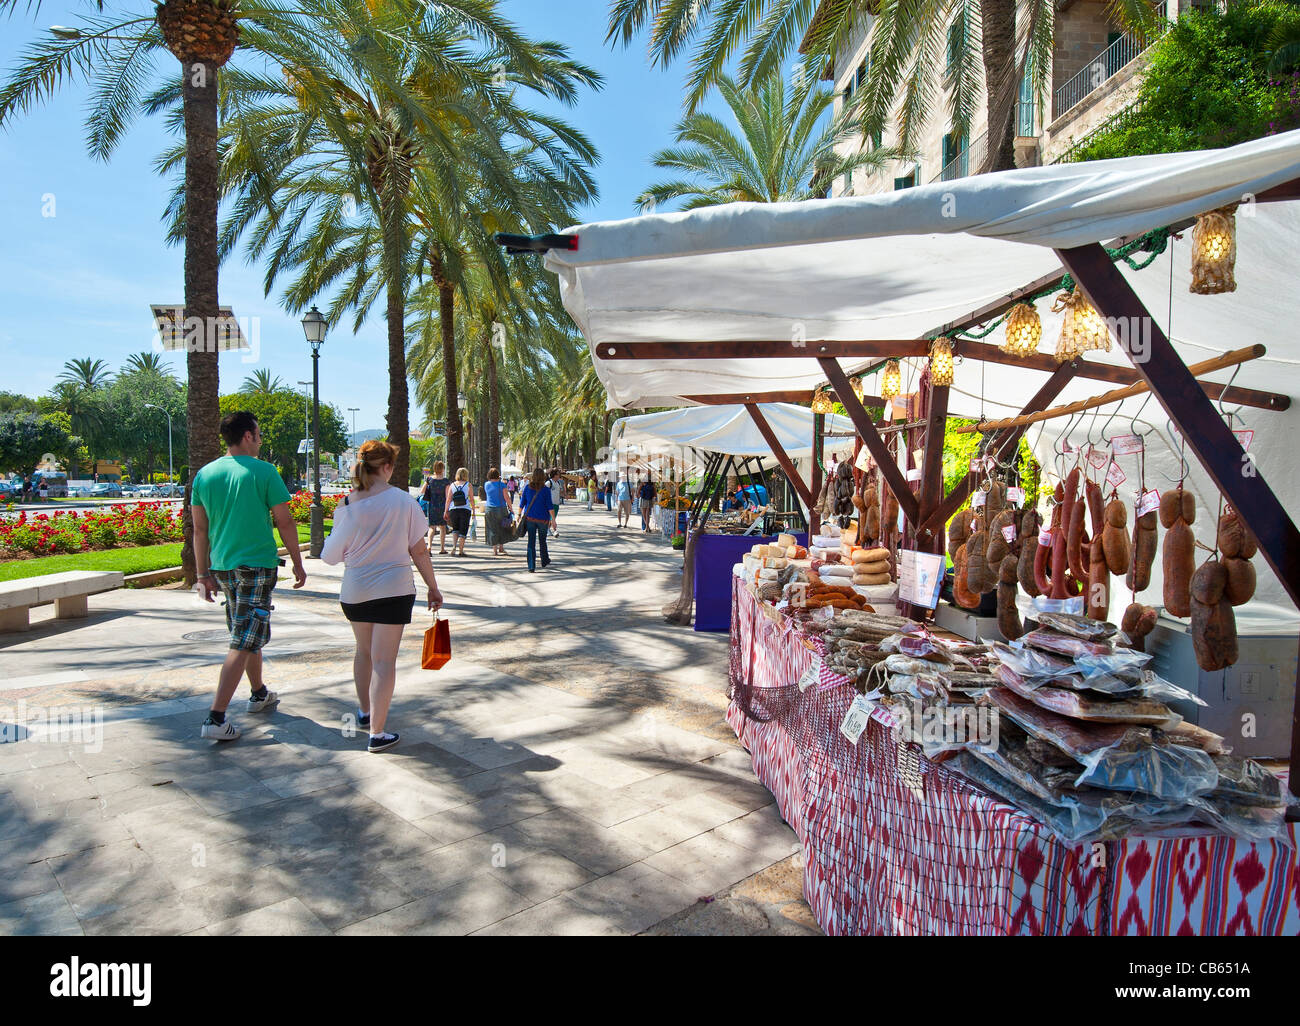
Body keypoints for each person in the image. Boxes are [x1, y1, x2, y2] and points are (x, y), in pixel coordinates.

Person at [321, 440, 444, 754]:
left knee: (363, 652)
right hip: (393, 589)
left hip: (355, 590)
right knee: (384, 660)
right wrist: (433, 586)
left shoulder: (347, 504)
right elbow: (418, 549)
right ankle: (377, 732)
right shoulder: (403, 501)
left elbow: (330, 556)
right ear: (387, 467)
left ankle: (364, 713)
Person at [193, 411, 307, 742]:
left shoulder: (204, 475)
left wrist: (203, 573)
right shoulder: (264, 471)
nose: (260, 440)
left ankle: (259, 694)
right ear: (247, 436)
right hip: (256, 566)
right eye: (257, 434)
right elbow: (284, 522)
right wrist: (298, 562)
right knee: (242, 639)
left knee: (246, 630)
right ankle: (216, 718)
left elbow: (200, 530)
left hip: (223, 567)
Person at [519, 468, 556, 572]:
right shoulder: (546, 490)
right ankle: (544, 560)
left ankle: (531, 565)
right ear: (543, 477)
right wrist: (553, 519)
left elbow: (522, 503)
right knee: (542, 540)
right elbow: (550, 506)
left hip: (530, 519)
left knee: (531, 541)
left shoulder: (527, 488)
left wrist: (518, 515)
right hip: (543, 520)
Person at [423, 461, 451, 555]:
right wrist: (447, 509)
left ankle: (429, 546)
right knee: (443, 528)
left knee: (432, 527)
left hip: (432, 506)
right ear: (442, 469)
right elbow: (448, 496)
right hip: (442, 506)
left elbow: (423, 491)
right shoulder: (446, 481)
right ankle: (442, 548)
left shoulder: (429, 479)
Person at [445, 467, 473, 556]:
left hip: (454, 509)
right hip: (465, 509)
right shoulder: (468, 485)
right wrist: (474, 511)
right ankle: (461, 550)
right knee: (463, 530)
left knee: (455, 529)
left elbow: (448, 499)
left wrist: (446, 511)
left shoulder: (452, 485)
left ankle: (454, 546)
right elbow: (471, 499)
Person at [483, 468, 510, 555]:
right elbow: (506, 497)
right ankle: (501, 547)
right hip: (501, 508)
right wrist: (511, 508)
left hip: (489, 509)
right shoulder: (502, 485)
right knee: (502, 528)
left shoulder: (486, 484)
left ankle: (494, 550)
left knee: (492, 528)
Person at [548, 468, 564, 537]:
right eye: (558, 474)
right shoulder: (549, 483)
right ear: (554, 475)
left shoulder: (558, 483)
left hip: (556, 503)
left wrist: (563, 495)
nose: (559, 476)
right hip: (550, 504)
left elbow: (559, 491)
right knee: (551, 518)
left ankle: (549, 529)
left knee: (553, 518)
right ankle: (549, 530)